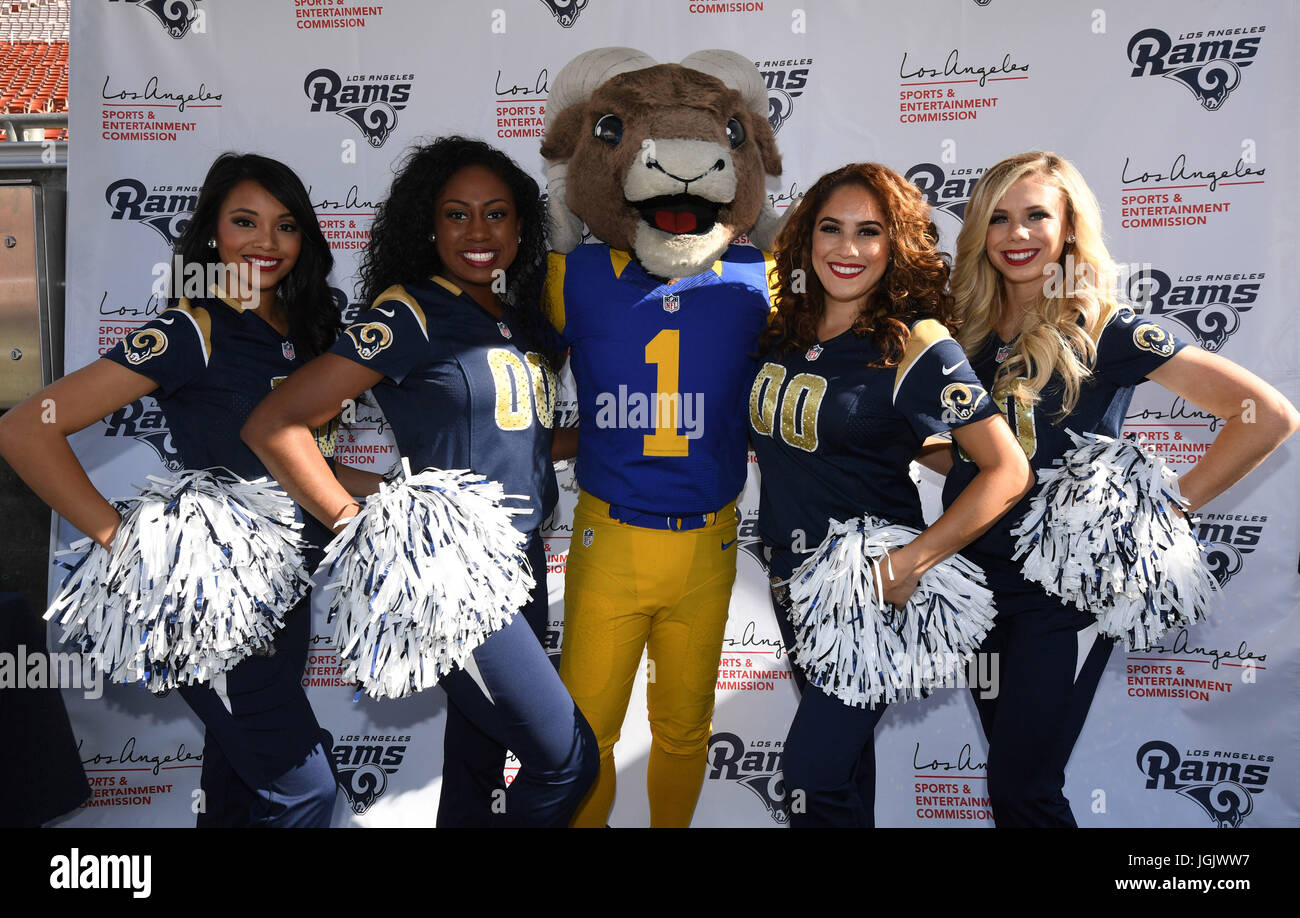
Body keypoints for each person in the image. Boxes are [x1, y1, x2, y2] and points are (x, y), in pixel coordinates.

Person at [241, 136, 597, 827]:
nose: (477, 232)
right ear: (427, 227)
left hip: (523, 562)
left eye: (495, 214)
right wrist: (361, 522)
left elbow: (513, 440)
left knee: (477, 762)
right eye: (456, 214)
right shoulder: (409, 312)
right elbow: (277, 425)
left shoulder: (515, 317)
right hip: (457, 575)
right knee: (565, 760)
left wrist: (603, 439)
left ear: (522, 226)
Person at [939, 150, 1300, 827]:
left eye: (1036, 216)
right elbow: (993, 458)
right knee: (1014, 784)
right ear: (980, 232)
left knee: (1024, 788)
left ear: (1070, 227)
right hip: (977, 586)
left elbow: (1266, 416)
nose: (1017, 235)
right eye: (1000, 219)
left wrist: (1161, 511)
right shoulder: (968, 330)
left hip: (1062, 597)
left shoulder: (1106, 324)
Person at [0, 152, 342, 827]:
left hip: (291, 592)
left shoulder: (304, 337)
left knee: (238, 788)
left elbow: (310, 466)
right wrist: (120, 540)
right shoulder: (193, 328)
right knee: (305, 789)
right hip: (221, 607)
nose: (267, 243)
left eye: (286, 225)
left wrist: (397, 496)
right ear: (212, 234)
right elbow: (24, 429)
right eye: (245, 221)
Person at [750, 162, 1032, 827]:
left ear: (896, 244)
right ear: (804, 238)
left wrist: (911, 563)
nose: (847, 250)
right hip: (793, 586)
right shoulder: (782, 331)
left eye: (869, 232)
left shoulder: (918, 344)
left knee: (809, 778)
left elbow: (1006, 470)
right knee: (842, 780)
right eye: (831, 229)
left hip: (868, 594)